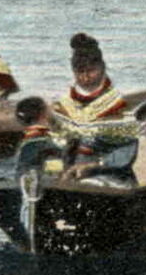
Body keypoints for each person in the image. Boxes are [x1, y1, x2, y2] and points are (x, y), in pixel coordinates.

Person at [49, 33, 139, 187]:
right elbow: (58, 147)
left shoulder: (118, 103)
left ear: (102, 68)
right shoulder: (65, 104)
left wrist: (93, 166)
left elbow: (128, 149)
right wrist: (56, 170)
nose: (85, 77)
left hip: (110, 176)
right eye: (80, 72)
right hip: (71, 175)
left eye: (91, 71)